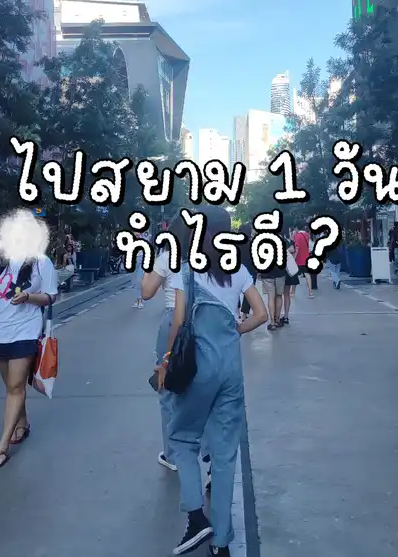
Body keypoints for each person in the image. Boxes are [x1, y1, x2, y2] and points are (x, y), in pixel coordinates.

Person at [157, 206, 267, 556]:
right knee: (224, 453)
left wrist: (165, 362)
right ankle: (222, 542)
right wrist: (236, 330)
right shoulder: (238, 270)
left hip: (198, 370)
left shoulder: (187, 271)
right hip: (230, 370)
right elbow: (261, 314)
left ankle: (195, 517)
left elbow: (178, 323)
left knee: (182, 437)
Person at [0, 253, 59, 470]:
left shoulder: (41, 261)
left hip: (26, 330)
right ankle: (22, 422)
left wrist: (28, 297)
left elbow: (51, 296)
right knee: (11, 386)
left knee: (15, 387)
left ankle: (2, 447)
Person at [141, 215, 189, 472]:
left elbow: (146, 292)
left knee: (167, 385)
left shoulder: (167, 257)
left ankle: (172, 454)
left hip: (173, 319)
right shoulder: (204, 257)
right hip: (200, 319)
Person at [238, 223, 257, 321]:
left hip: (237, 270)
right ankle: (244, 314)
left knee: (236, 291)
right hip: (250, 271)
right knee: (248, 293)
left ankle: (237, 311)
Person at [281, 230, 299, 319]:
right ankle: (286, 316)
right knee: (286, 294)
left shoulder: (281, 240)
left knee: (278, 295)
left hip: (282, 271)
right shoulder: (289, 241)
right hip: (289, 269)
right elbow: (294, 250)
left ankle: (277, 316)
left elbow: (292, 249)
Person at [292, 223, 313, 298]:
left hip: (299, 259)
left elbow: (297, 249)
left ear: (297, 228)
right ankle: (310, 292)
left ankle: (292, 292)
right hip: (306, 258)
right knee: (307, 275)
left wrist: (294, 258)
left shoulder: (298, 236)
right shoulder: (307, 235)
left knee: (294, 276)